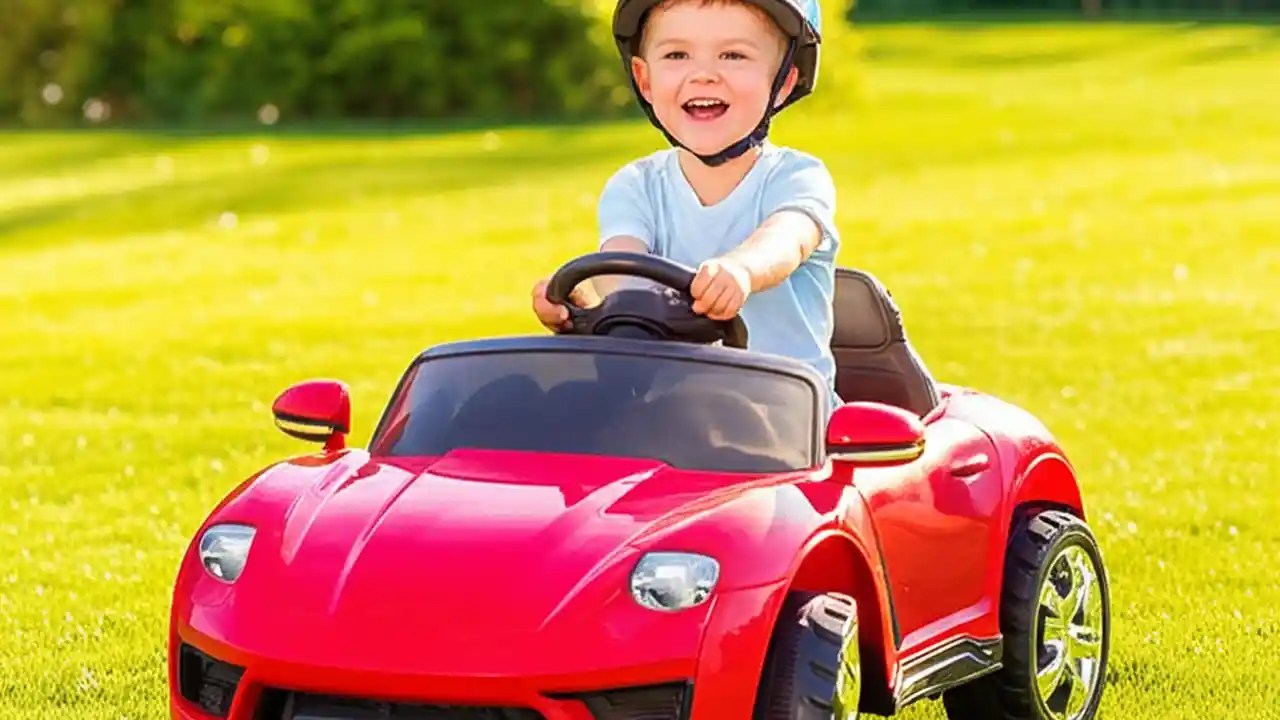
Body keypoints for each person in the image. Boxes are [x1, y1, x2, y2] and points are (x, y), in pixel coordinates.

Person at [531, 0, 840, 406]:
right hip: (667, 409)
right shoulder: (636, 186)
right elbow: (623, 273)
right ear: (644, 80)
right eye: (677, 55)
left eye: (733, 55)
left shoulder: (796, 177)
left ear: (783, 82)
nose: (703, 74)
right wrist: (585, 310)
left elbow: (786, 240)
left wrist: (742, 270)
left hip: (783, 411)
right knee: (530, 405)